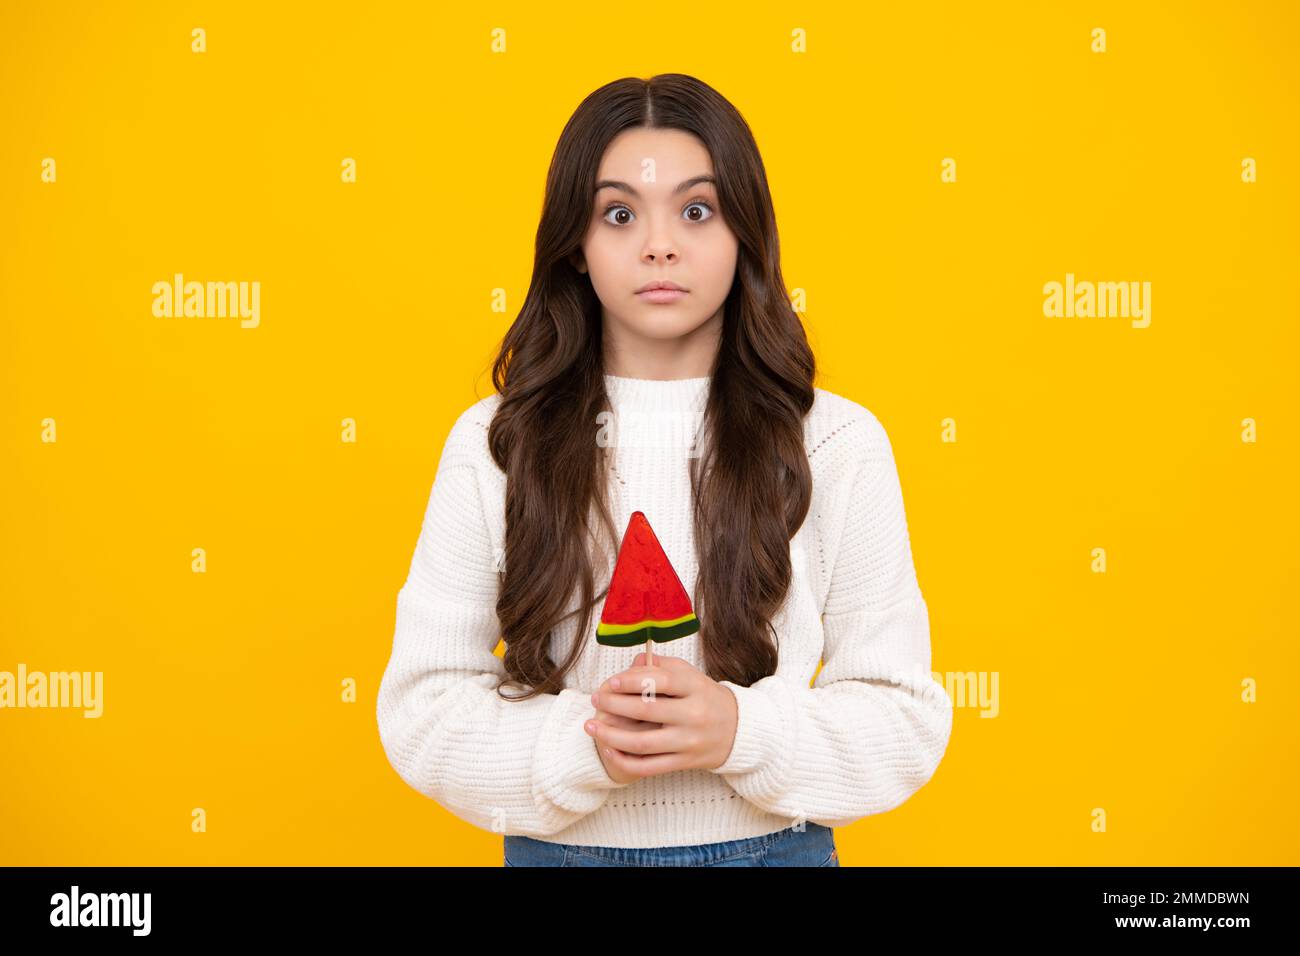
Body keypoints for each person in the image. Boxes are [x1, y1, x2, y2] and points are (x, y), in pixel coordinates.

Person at [376, 73, 953, 867]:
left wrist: (739, 731)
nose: (659, 244)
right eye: (619, 214)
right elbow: (422, 707)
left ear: (744, 233)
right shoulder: (494, 444)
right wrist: (589, 748)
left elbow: (903, 721)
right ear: (574, 247)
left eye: (696, 210)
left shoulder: (836, 442)